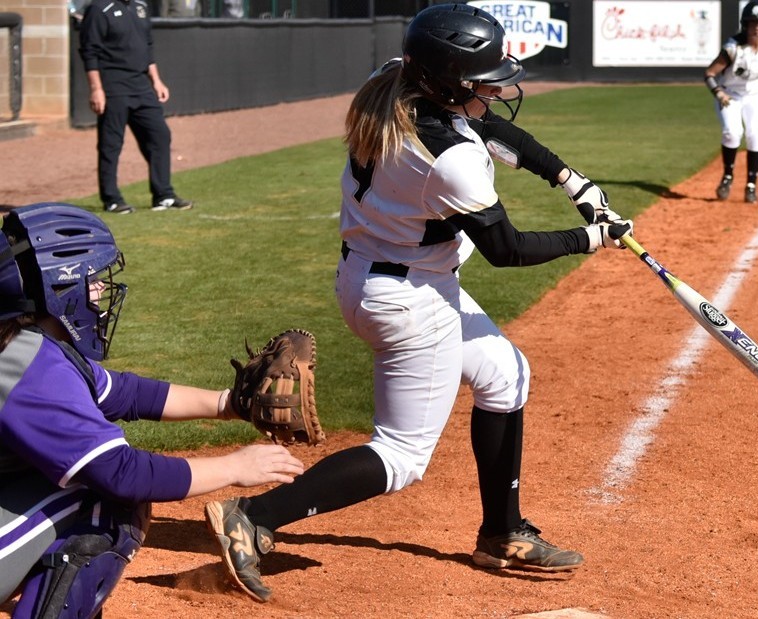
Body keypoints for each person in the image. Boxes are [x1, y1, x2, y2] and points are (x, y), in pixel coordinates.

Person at [203, 3, 633, 603]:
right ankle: (252, 516)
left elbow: (490, 130)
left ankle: (501, 532)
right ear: (450, 81)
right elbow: (507, 249)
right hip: (407, 300)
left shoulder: (394, 83)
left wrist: (572, 181)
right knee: (402, 455)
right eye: (482, 80)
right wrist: (590, 237)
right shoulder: (449, 162)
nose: (494, 89)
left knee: (505, 374)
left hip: (386, 278)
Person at [0, 202, 304, 617]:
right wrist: (236, 467)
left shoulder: (21, 344)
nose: (101, 290)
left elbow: (122, 393)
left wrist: (229, 404)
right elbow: (121, 474)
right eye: (92, 279)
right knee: (106, 502)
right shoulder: (30, 367)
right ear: (59, 288)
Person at [79, 0, 194, 214]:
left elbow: (147, 46)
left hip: (141, 86)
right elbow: (89, 51)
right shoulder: (98, 9)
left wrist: (156, 81)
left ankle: (163, 195)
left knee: (160, 135)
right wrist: (96, 89)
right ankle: (112, 199)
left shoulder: (139, 7)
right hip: (113, 86)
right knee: (111, 145)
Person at [703, 0, 758, 204]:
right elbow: (710, 73)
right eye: (753, 23)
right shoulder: (733, 47)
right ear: (745, 25)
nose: (757, 28)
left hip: (756, 95)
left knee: (756, 137)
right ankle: (727, 177)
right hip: (730, 94)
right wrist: (718, 93)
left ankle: (751, 185)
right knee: (732, 133)